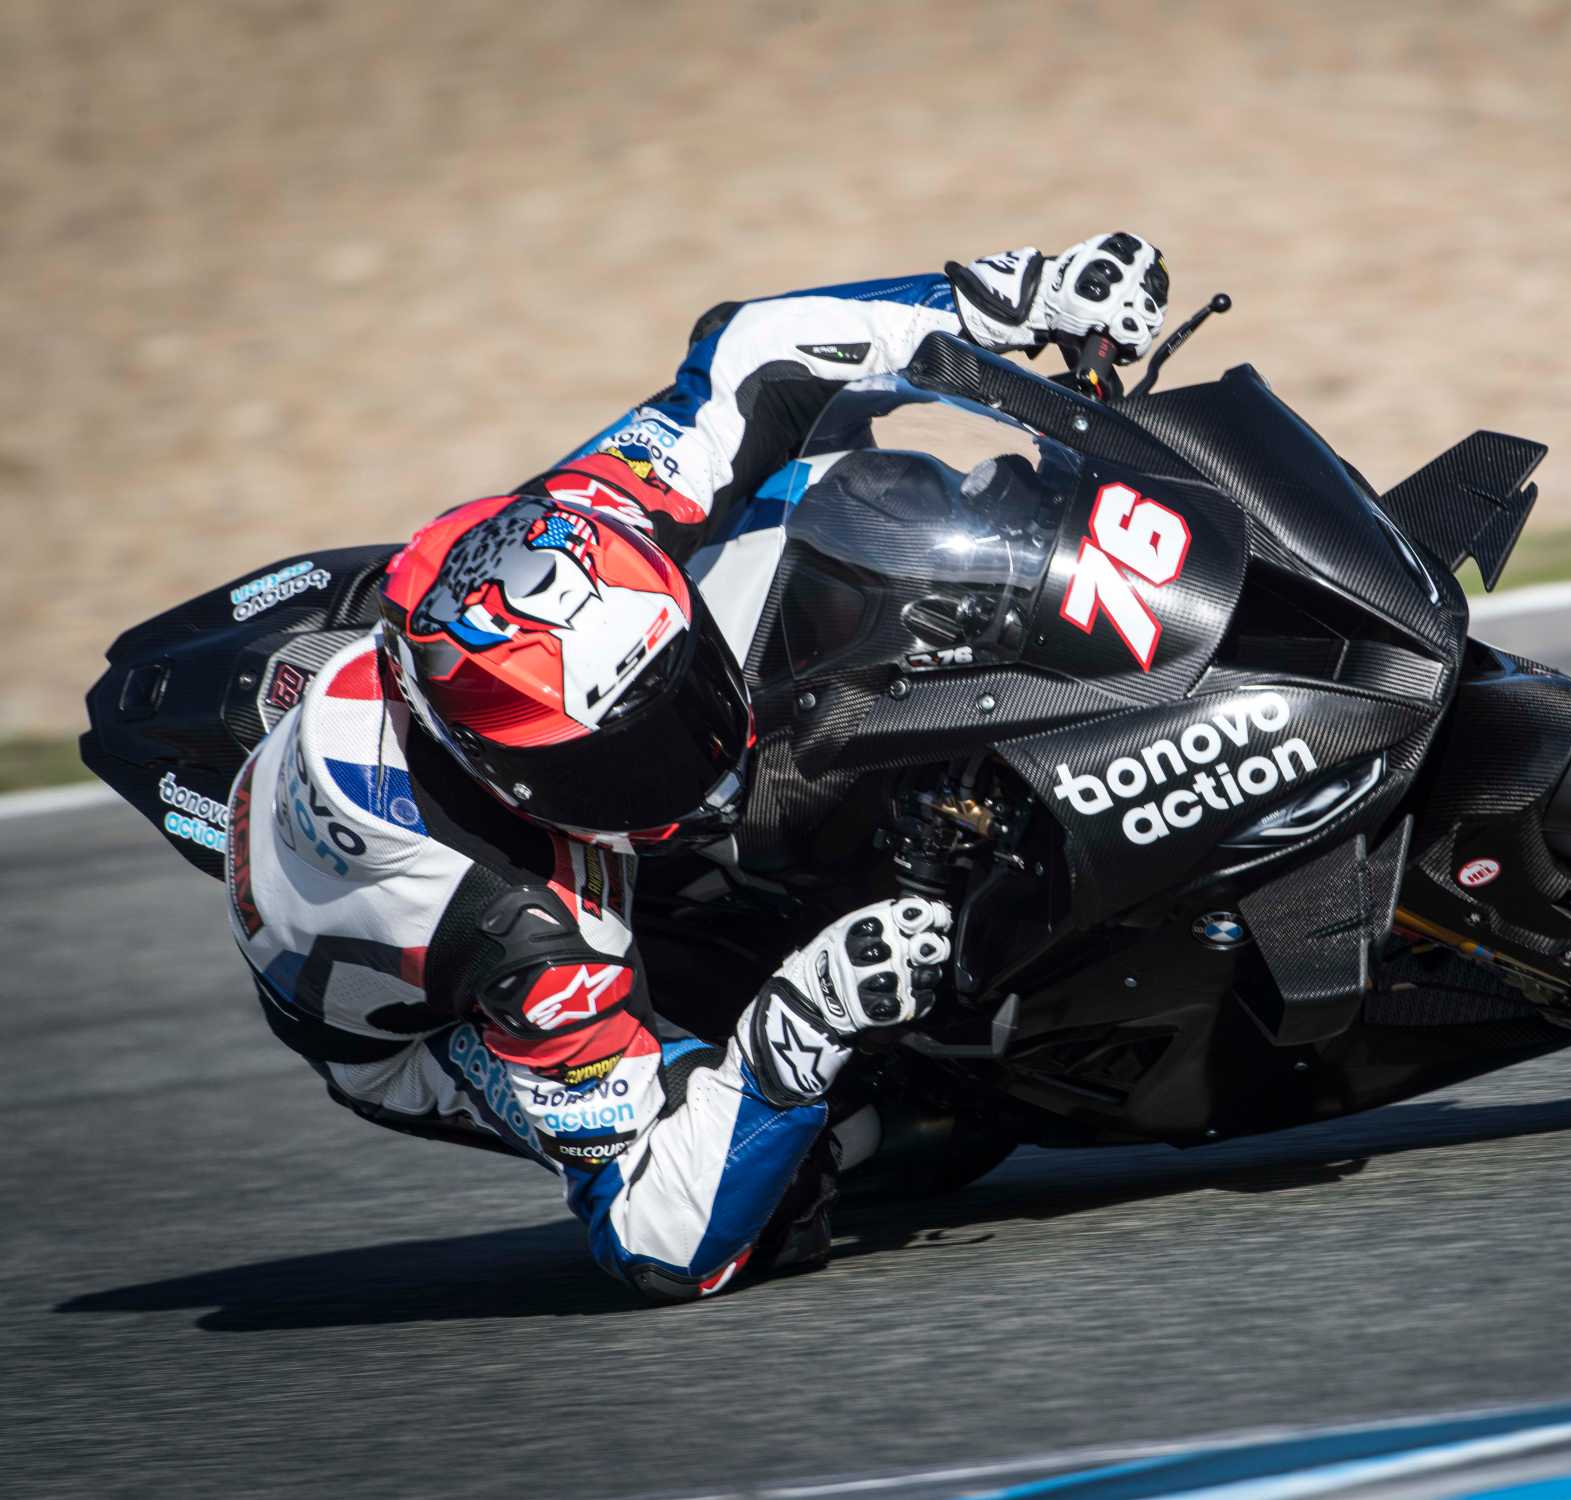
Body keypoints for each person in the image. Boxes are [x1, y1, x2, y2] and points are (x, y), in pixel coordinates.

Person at [223, 234, 1171, 1300]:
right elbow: (654, 1242)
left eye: (676, 708)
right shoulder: (527, 936)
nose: (696, 773)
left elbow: (755, 351)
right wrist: (801, 1023)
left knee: (835, 526)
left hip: (447, 705)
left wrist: (1008, 296)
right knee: (818, 1159)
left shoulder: (598, 522)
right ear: (512, 781)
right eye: (626, 766)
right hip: (439, 1013)